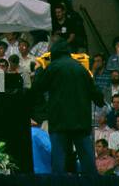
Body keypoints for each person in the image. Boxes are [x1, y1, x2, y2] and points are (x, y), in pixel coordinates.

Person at [31, 38, 103, 175]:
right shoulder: (81, 68)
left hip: (59, 122)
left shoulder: (53, 67)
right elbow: (97, 95)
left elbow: (37, 88)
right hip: (81, 122)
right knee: (87, 161)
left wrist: (40, 68)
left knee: (59, 163)